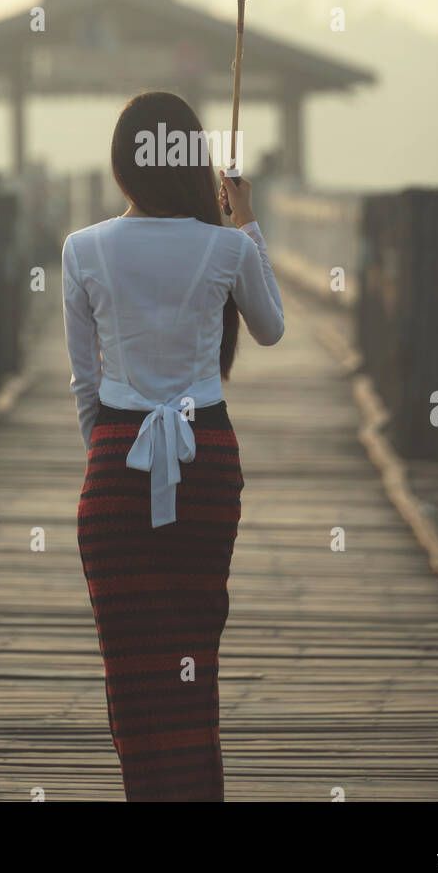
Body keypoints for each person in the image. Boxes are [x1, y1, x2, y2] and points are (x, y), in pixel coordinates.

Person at [61, 90, 284, 802]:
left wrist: (109, 456)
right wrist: (243, 218)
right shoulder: (223, 242)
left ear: (124, 165)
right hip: (207, 460)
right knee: (194, 646)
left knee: (131, 663)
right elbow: (270, 327)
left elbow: (84, 382)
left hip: (118, 465)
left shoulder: (83, 248)